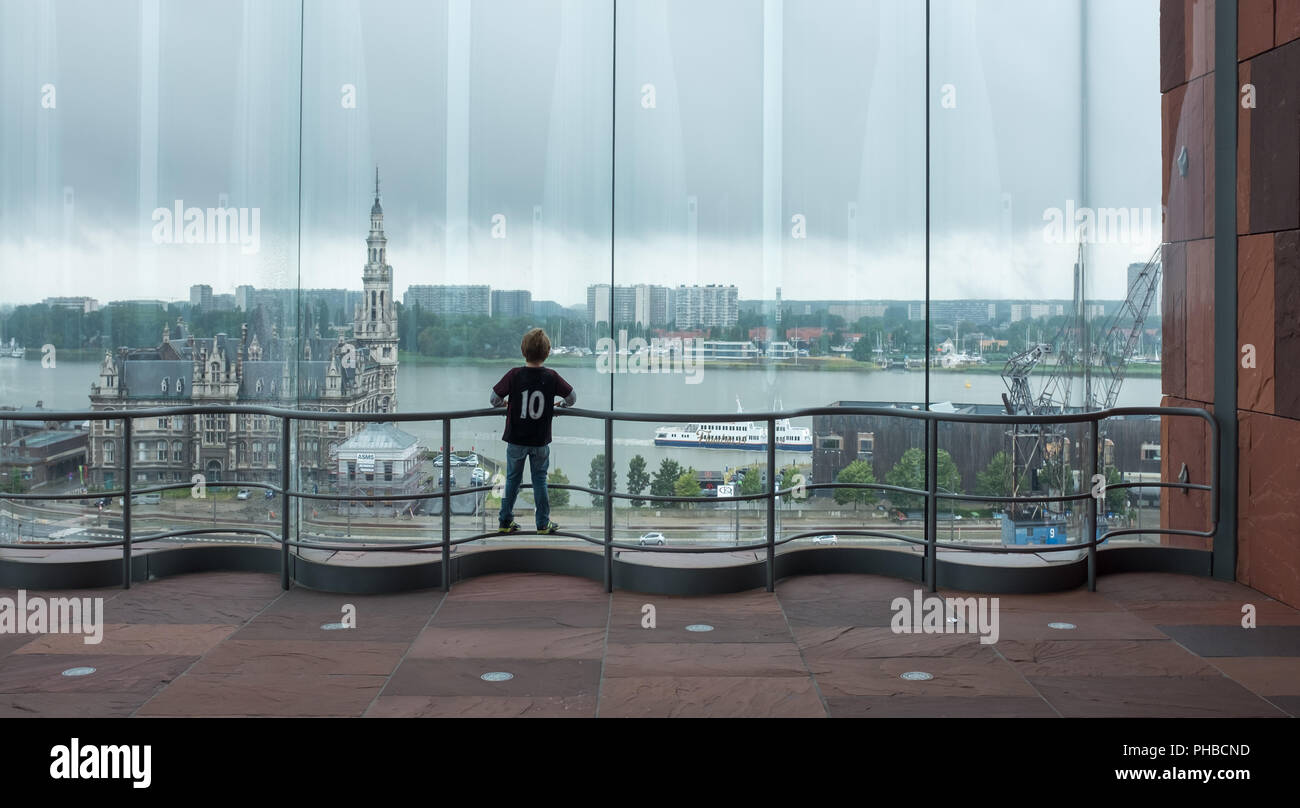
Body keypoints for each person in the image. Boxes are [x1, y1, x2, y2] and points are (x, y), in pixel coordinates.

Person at [490, 328, 576, 534]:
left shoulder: (514, 375)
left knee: (512, 480)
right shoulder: (552, 376)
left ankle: (505, 521)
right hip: (540, 440)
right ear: (547, 353)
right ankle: (543, 523)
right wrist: (560, 405)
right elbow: (572, 398)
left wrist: (507, 403)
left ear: (523, 351)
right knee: (539, 480)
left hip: (516, 438)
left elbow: (493, 400)